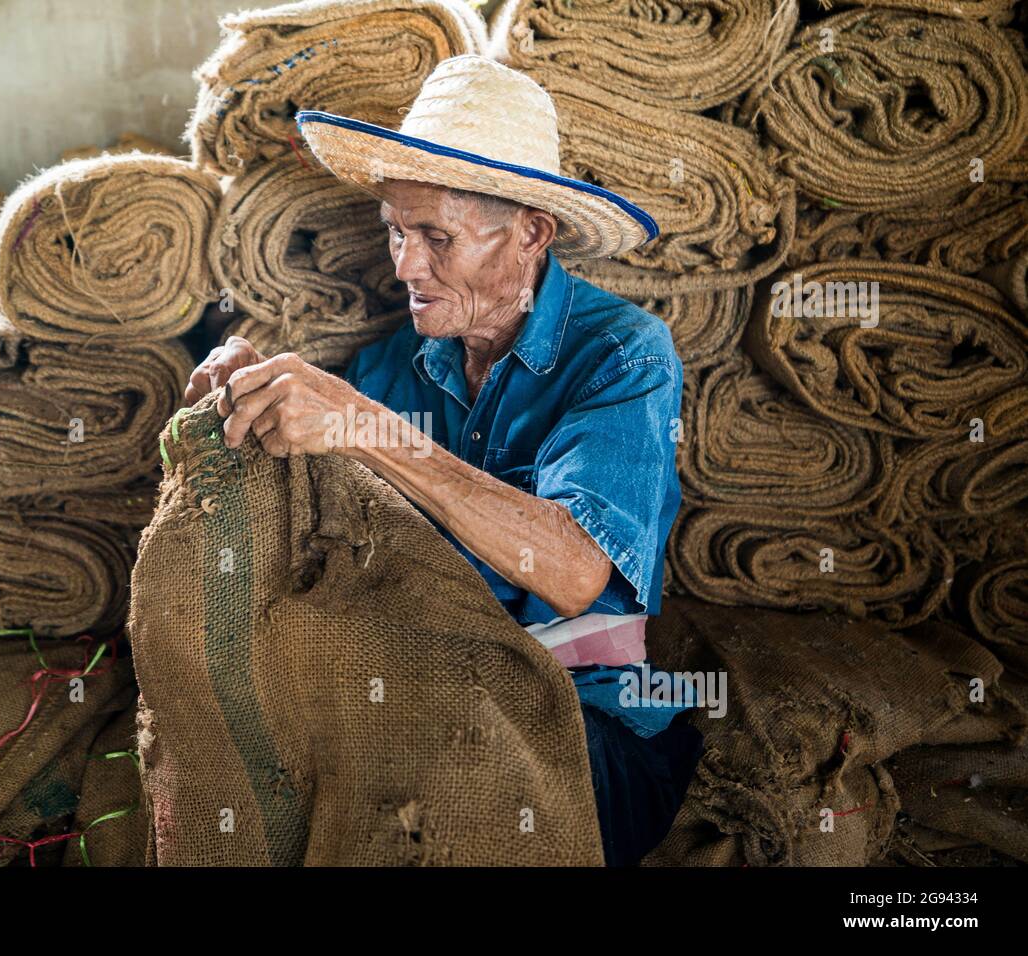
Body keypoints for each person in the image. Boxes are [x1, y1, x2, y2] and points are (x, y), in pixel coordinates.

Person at [185, 54, 701, 866]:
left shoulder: (624, 354)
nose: (405, 266)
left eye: (437, 237)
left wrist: (363, 424)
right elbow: (330, 523)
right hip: (416, 692)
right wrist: (247, 393)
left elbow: (574, 572)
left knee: (434, 774)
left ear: (532, 231)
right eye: (395, 230)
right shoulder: (396, 364)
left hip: (583, 728)